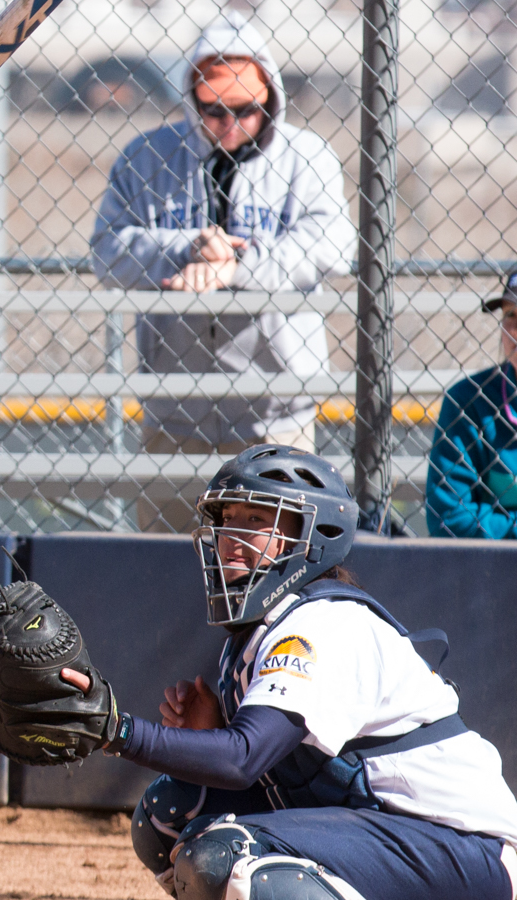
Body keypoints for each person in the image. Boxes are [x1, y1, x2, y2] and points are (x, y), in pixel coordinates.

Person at [63, 445, 517, 899]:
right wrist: (209, 733)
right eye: (228, 520)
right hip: (386, 831)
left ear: (316, 534)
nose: (231, 537)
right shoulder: (261, 630)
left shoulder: (322, 623)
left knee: (230, 858)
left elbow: (241, 759)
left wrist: (115, 731)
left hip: (467, 850)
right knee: (170, 810)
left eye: (256, 521)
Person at [90, 13, 354, 532]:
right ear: (192, 100)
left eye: (246, 110)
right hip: (175, 415)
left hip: (275, 417)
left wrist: (238, 268)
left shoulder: (306, 157)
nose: (231, 124)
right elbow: (107, 251)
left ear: (271, 98)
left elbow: (332, 245)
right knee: (166, 574)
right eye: (213, 111)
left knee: (276, 580)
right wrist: (188, 248)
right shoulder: (146, 157)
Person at [426, 270, 517, 539]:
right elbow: (449, 518)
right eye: (510, 315)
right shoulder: (468, 401)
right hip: (490, 571)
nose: (514, 331)